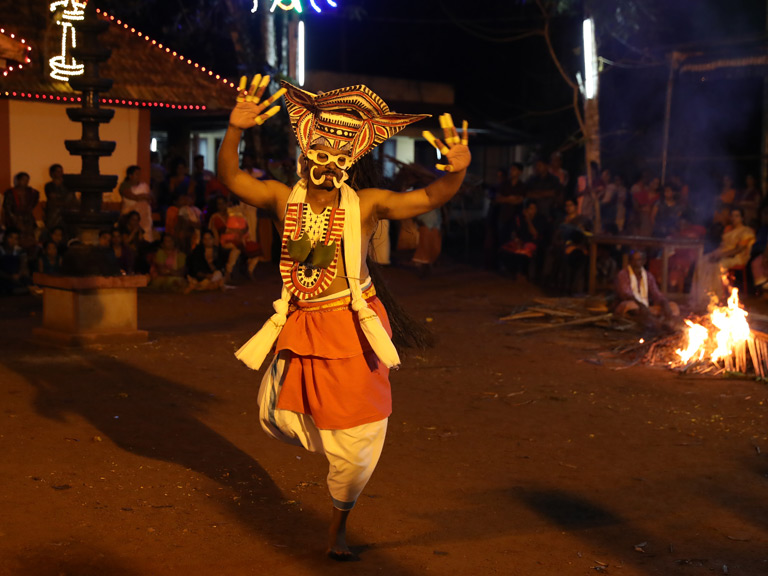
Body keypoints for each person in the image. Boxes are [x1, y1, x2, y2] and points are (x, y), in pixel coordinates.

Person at [219, 76, 470, 560]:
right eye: (320, 152)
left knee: (360, 440)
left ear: (350, 164)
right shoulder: (279, 198)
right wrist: (233, 130)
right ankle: (327, 456)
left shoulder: (366, 206)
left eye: (339, 157)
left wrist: (456, 172)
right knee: (277, 416)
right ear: (303, 155)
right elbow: (231, 178)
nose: (327, 163)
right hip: (302, 325)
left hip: (353, 328)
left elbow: (428, 199)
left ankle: (337, 526)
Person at [691, 208, 755, 309]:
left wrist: (722, 255)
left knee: (717, 265)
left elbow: (739, 249)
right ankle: (701, 296)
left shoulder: (746, 231)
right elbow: (722, 246)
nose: (734, 218)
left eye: (737, 216)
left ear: (742, 218)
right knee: (702, 261)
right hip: (722, 253)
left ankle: (717, 297)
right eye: (732, 216)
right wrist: (714, 254)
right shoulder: (729, 229)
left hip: (736, 257)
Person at [615, 250, 679, 329]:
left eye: (638, 260)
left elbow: (656, 293)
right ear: (630, 261)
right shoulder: (623, 274)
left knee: (673, 306)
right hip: (633, 306)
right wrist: (641, 305)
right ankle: (655, 323)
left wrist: (664, 303)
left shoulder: (648, 276)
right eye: (633, 260)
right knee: (630, 305)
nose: (636, 263)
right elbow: (626, 294)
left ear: (644, 261)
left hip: (646, 308)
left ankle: (665, 322)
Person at [2, 172, 39, 253]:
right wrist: (15, 220)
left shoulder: (31, 192)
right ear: (18, 180)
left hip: (28, 218)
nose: (25, 182)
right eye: (23, 180)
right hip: (15, 219)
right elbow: (7, 208)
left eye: (27, 180)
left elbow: (34, 201)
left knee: (30, 239)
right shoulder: (10, 193)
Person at [119, 166, 155, 243]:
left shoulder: (144, 185)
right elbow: (132, 197)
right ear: (130, 175)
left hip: (144, 216)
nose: (139, 176)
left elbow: (151, 197)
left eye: (139, 174)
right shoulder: (124, 186)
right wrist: (144, 196)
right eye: (136, 174)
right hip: (130, 215)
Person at [43, 163, 78, 239]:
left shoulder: (68, 185)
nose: (60, 173)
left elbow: (72, 199)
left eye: (61, 171)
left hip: (67, 213)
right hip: (54, 213)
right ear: (52, 173)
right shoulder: (49, 185)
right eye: (58, 171)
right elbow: (52, 198)